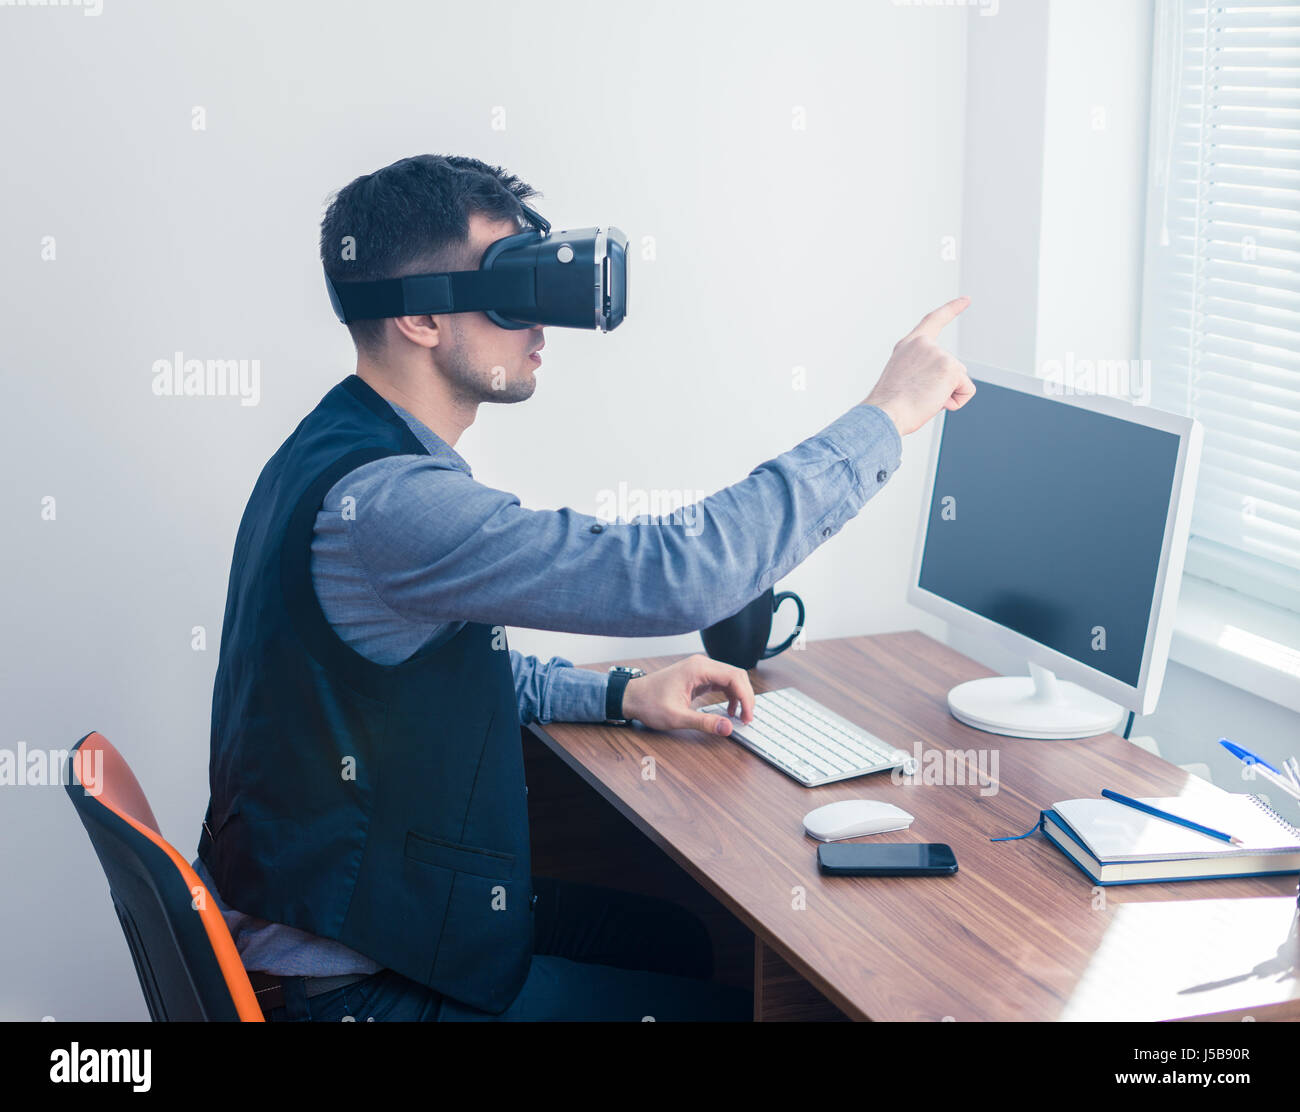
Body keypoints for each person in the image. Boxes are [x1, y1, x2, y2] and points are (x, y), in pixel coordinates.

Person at [192, 154, 975, 1022]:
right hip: (348, 985)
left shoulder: (336, 448)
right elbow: (677, 575)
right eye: (511, 287)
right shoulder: (392, 505)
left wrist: (621, 691)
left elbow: (432, 671)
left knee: (684, 941)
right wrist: (887, 416)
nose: (540, 326)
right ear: (419, 314)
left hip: (352, 921)